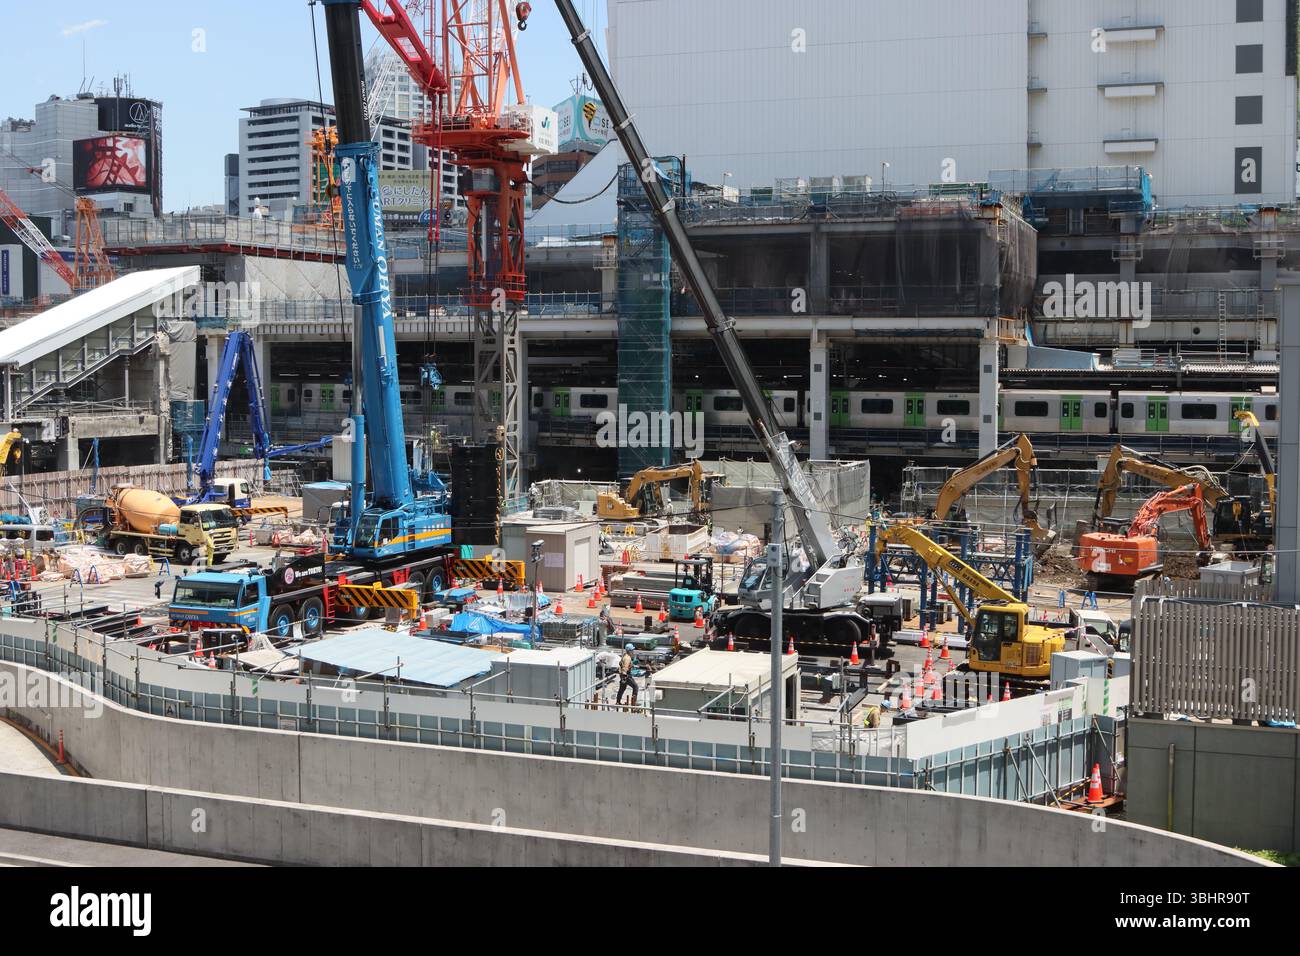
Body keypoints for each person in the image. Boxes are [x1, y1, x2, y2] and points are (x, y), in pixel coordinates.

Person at [617, 642, 638, 707]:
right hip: (626, 675)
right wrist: (624, 676)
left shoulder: (625, 655)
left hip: (623, 675)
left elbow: (621, 664)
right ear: (630, 651)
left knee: (622, 688)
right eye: (632, 650)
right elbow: (625, 667)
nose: (633, 651)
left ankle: (618, 701)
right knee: (635, 687)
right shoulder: (628, 658)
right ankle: (633, 703)